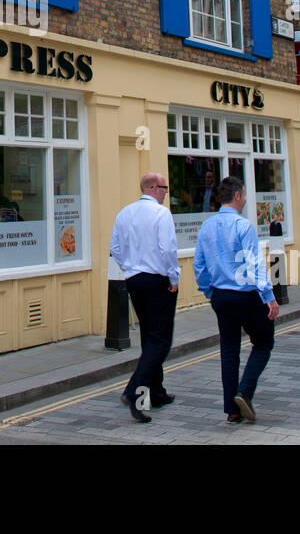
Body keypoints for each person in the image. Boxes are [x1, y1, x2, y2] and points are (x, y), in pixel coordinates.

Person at [193, 176, 279, 425]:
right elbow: (255, 264)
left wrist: (209, 292)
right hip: (247, 295)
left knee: (229, 350)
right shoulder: (243, 226)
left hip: (221, 295)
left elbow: (199, 265)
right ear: (239, 196)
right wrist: (269, 297)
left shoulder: (207, 226)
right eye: (245, 195)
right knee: (263, 342)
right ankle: (245, 392)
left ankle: (232, 409)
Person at [110, 172, 179, 423]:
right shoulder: (161, 214)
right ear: (152, 187)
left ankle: (156, 393)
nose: (165, 192)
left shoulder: (124, 213)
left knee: (150, 335)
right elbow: (168, 249)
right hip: (158, 280)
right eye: (164, 188)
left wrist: (129, 267)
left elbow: (115, 248)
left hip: (134, 280)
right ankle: (133, 392)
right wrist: (173, 277)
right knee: (160, 342)